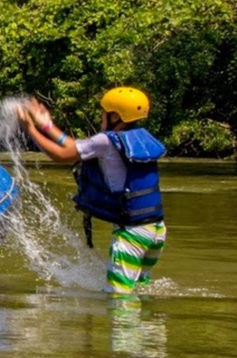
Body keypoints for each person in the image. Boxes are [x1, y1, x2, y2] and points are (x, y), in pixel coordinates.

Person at [17, 87, 168, 295]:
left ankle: (126, 328)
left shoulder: (106, 141)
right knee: (139, 290)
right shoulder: (137, 138)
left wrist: (31, 130)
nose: (101, 116)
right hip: (156, 230)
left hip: (132, 234)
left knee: (119, 299)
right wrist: (46, 125)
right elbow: (75, 147)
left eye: (104, 112)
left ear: (115, 116)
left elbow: (62, 155)